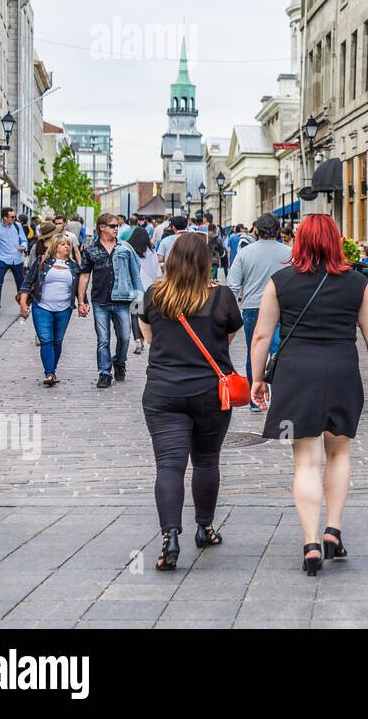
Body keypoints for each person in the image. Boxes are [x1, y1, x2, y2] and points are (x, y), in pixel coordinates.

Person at [249, 214, 368, 575]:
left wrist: (257, 378)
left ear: (298, 242)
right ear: (335, 241)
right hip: (342, 370)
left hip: (298, 374)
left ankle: (311, 543)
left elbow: (262, 336)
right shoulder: (357, 282)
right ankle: (333, 530)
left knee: (306, 461)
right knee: (339, 452)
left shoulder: (280, 281)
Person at [136, 235, 242, 571]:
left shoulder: (154, 295)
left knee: (169, 464)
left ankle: (169, 536)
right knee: (207, 460)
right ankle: (204, 527)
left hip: (163, 391)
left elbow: (149, 337)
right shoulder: (221, 296)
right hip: (210, 392)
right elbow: (227, 338)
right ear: (206, 261)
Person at [228, 213, 291, 410]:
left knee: (254, 351)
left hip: (253, 307)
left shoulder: (245, 253)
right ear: (278, 231)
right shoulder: (289, 253)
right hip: (283, 307)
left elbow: (232, 285)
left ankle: (255, 400)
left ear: (256, 230)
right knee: (280, 352)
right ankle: (281, 395)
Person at [77, 213, 143, 388]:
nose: (116, 229)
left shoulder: (125, 248)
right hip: (100, 301)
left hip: (122, 300)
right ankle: (104, 372)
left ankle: (119, 362)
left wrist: (139, 297)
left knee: (124, 337)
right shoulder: (91, 250)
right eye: (113, 226)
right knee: (103, 339)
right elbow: (84, 276)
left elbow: (135, 273)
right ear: (102, 227)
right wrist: (81, 301)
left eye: (117, 226)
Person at [17, 234, 82, 386]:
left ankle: (53, 370)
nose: (67, 246)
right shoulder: (42, 261)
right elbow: (27, 283)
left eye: (68, 244)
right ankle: (49, 373)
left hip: (64, 308)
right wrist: (23, 303)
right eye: (63, 244)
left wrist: (82, 303)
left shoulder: (73, 266)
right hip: (42, 306)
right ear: (55, 247)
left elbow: (80, 289)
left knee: (57, 341)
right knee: (46, 340)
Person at [0, 207, 28, 318]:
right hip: (3, 259)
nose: (14, 218)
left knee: (21, 286)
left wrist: (23, 246)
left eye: (15, 216)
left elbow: (24, 240)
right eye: (12, 217)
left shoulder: (17, 226)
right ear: (5, 218)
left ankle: (23, 307)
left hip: (17, 259)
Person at [128, 226, 161, 355]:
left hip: (135, 289)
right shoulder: (152, 253)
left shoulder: (130, 252)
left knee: (135, 314)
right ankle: (143, 337)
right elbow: (158, 274)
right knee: (145, 316)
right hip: (149, 290)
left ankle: (137, 340)